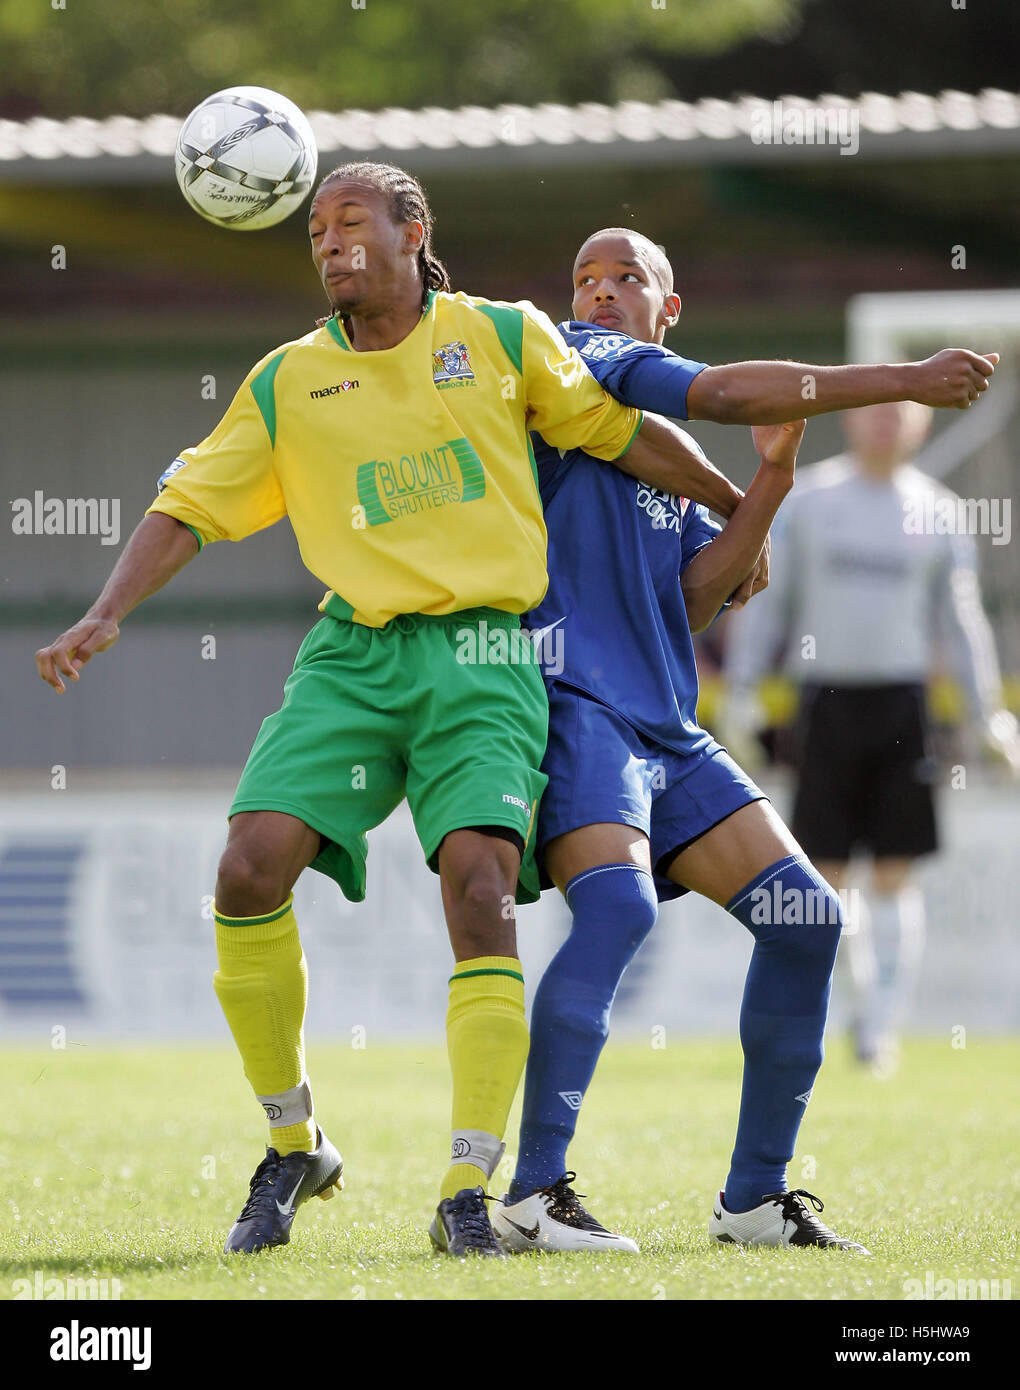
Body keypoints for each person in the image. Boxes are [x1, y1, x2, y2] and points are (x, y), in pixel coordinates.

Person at [33, 166, 749, 1260]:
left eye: (351, 221)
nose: (328, 242)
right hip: (353, 656)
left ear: (416, 232)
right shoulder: (287, 380)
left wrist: (729, 499)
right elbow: (189, 505)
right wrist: (104, 612)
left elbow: (614, 431)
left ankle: (468, 1185)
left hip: (482, 655)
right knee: (247, 867)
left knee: (477, 887)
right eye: (315, 229)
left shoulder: (503, 337)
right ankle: (292, 1142)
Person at [490, 227, 999, 1255]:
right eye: (585, 276)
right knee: (617, 910)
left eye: (626, 278)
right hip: (577, 710)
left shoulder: (666, 455)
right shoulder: (570, 365)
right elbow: (725, 391)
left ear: (667, 307)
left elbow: (692, 598)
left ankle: (754, 1201)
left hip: (666, 733)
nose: (599, 291)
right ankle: (533, 1191)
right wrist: (901, 379)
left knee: (807, 917)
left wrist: (765, 481)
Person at [723, 399, 1019, 1076]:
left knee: (893, 874)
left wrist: (986, 716)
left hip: (901, 708)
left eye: (901, 412)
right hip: (822, 703)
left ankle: (879, 1030)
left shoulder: (939, 511)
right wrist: (740, 691)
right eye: (875, 410)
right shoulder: (813, 500)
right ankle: (839, 1017)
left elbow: (961, 620)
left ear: (920, 425)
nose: (886, 421)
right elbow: (770, 599)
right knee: (825, 878)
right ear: (852, 420)